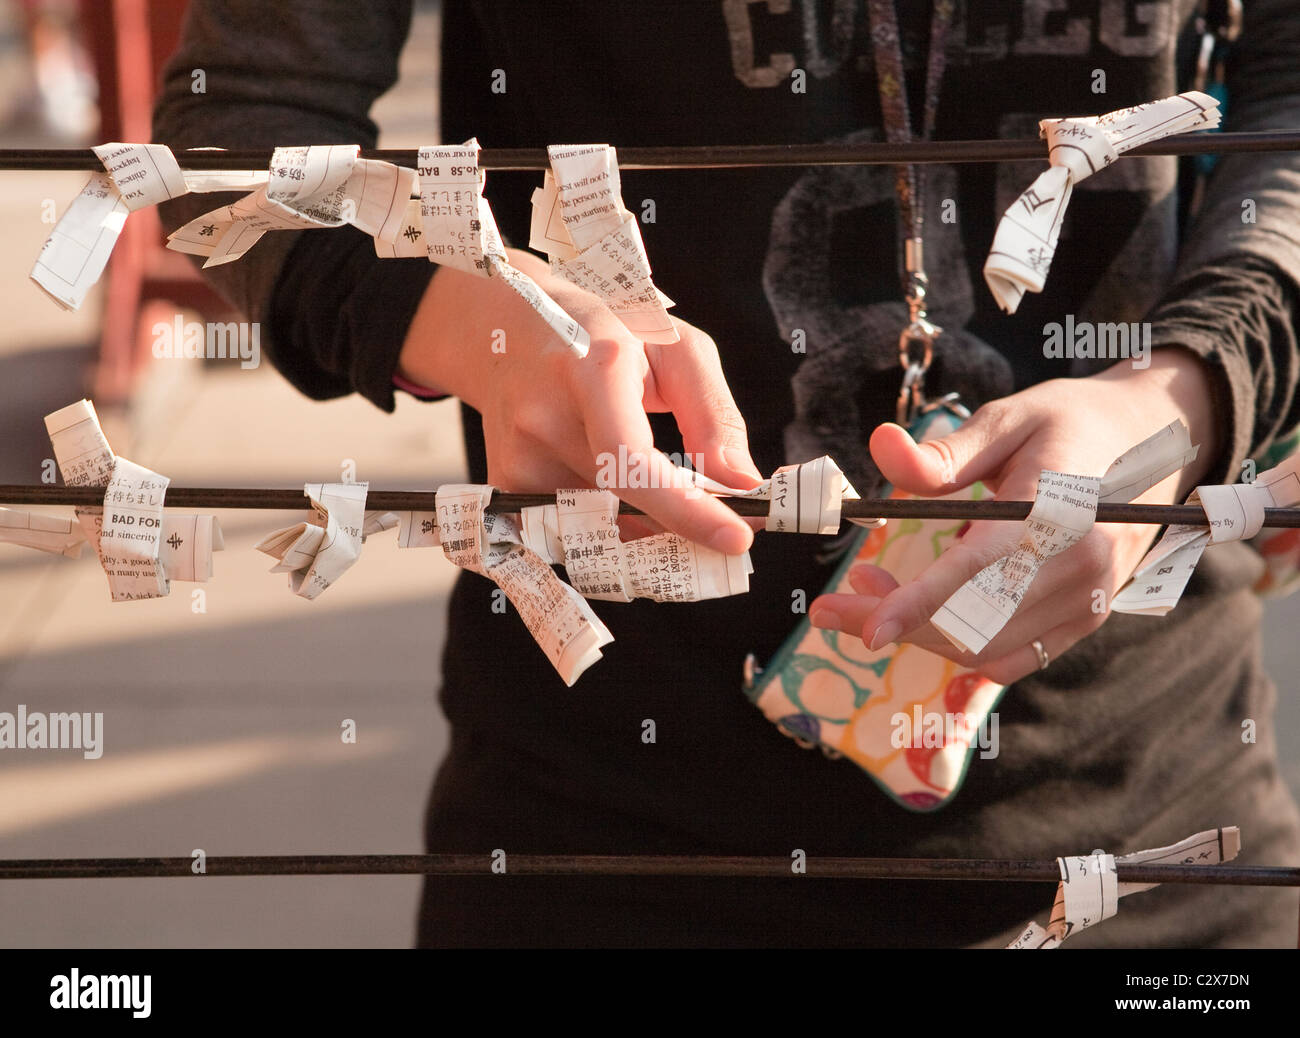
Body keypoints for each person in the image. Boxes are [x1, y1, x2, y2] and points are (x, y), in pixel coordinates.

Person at [153, 0, 1300, 947]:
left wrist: (1187, 395)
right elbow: (236, 130)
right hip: (611, 827)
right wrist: (461, 321)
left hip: (1159, 835)